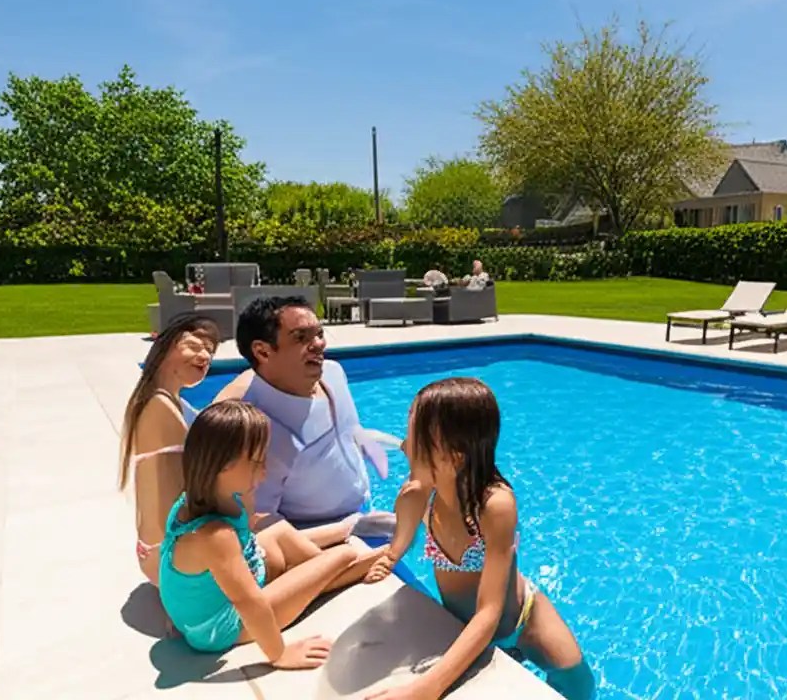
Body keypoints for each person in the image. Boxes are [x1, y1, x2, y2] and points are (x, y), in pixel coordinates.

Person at [364, 378, 595, 700]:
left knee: (581, 687)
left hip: (522, 622)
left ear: (453, 457)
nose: (403, 445)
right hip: (464, 624)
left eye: (413, 437)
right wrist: (386, 557)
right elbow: (399, 545)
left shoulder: (494, 505)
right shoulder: (422, 492)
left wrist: (426, 689)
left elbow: (489, 611)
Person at [158, 400, 388, 662]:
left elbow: (178, 566)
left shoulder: (198, 499)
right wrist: (280, 654)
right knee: (343, 555)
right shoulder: (215, 536)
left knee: (279, 531)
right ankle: (376, 557)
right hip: (225, 625)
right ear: (223, 466)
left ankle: (321, 567)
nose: (264, 471)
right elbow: (248, 603)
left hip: (228, 591)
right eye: (256, 462)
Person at [216, 296, 392, 528]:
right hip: (321, 532)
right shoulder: (255, 428)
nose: (319, 344)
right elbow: (258, 524)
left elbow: (349, 427)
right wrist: (348, 530)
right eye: (301, 338)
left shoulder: (333, 373)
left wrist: (367, 442)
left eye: (319, 334)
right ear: (263, 352)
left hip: (365, 509)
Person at [120, 313, 219, 585]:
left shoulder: (162, 400)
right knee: (279, 551)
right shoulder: (161, 408)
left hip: (157, 552)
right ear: (165, 348)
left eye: (210, 351)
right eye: (195, 345)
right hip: (171, 560)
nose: (205, 356)